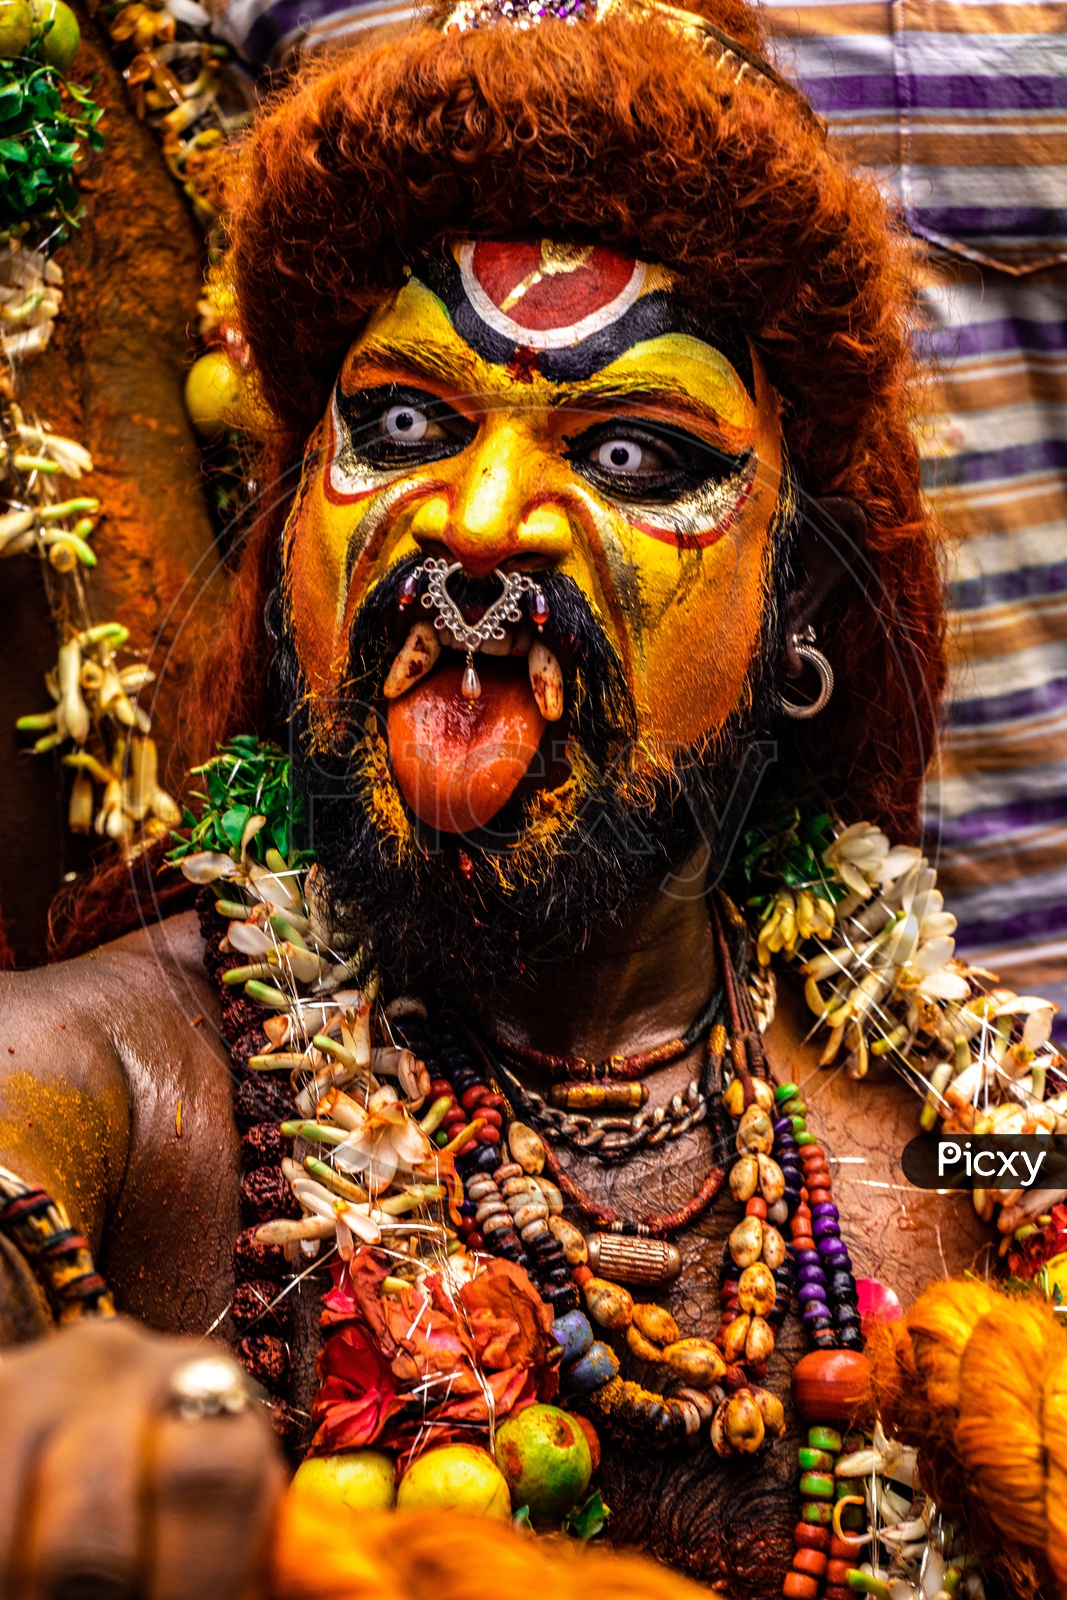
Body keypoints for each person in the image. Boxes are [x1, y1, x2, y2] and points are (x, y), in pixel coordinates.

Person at [0, 0, 1054, 1595]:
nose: (482, 521)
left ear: (798, 632)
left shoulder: (958, 1131)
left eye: (632, 456)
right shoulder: (116, 1084)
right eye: (405, 426)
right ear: (291, 543)